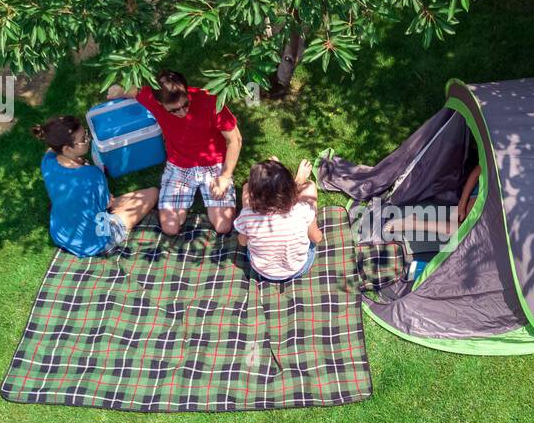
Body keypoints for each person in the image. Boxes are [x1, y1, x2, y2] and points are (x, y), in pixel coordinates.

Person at [108, 71, 242, 236]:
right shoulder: (152, 99)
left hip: (213, 163)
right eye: (174, 110)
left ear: (186, 91)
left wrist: (225, 177)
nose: (183, 112)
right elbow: (131, 90)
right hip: (179, 165)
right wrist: (117, 91)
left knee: (223, 226)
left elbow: (235, 140)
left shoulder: (211, 101)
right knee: (170, 227)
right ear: (159, 103)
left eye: (185, 104)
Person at [35, 116, 158, 257]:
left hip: (60, 234)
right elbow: (106, 205)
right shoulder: (91, 175)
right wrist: (107, 198)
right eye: (83, 139)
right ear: (67, 148)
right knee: (152, 193)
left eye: (86, 133)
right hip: (93, 242)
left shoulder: (48, 161)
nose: (88, 139)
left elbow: (53, 147)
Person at [234, 158, 322, 282]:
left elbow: (243, 243)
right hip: (297, 269)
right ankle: (298, 181)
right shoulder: (302, 210)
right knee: (310, 186)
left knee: (245, 187)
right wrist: (312, 221)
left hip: (262, 272)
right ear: (290, 190)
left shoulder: (248, 216)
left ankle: (290, 180)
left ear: (254, 195)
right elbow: (316, 238)